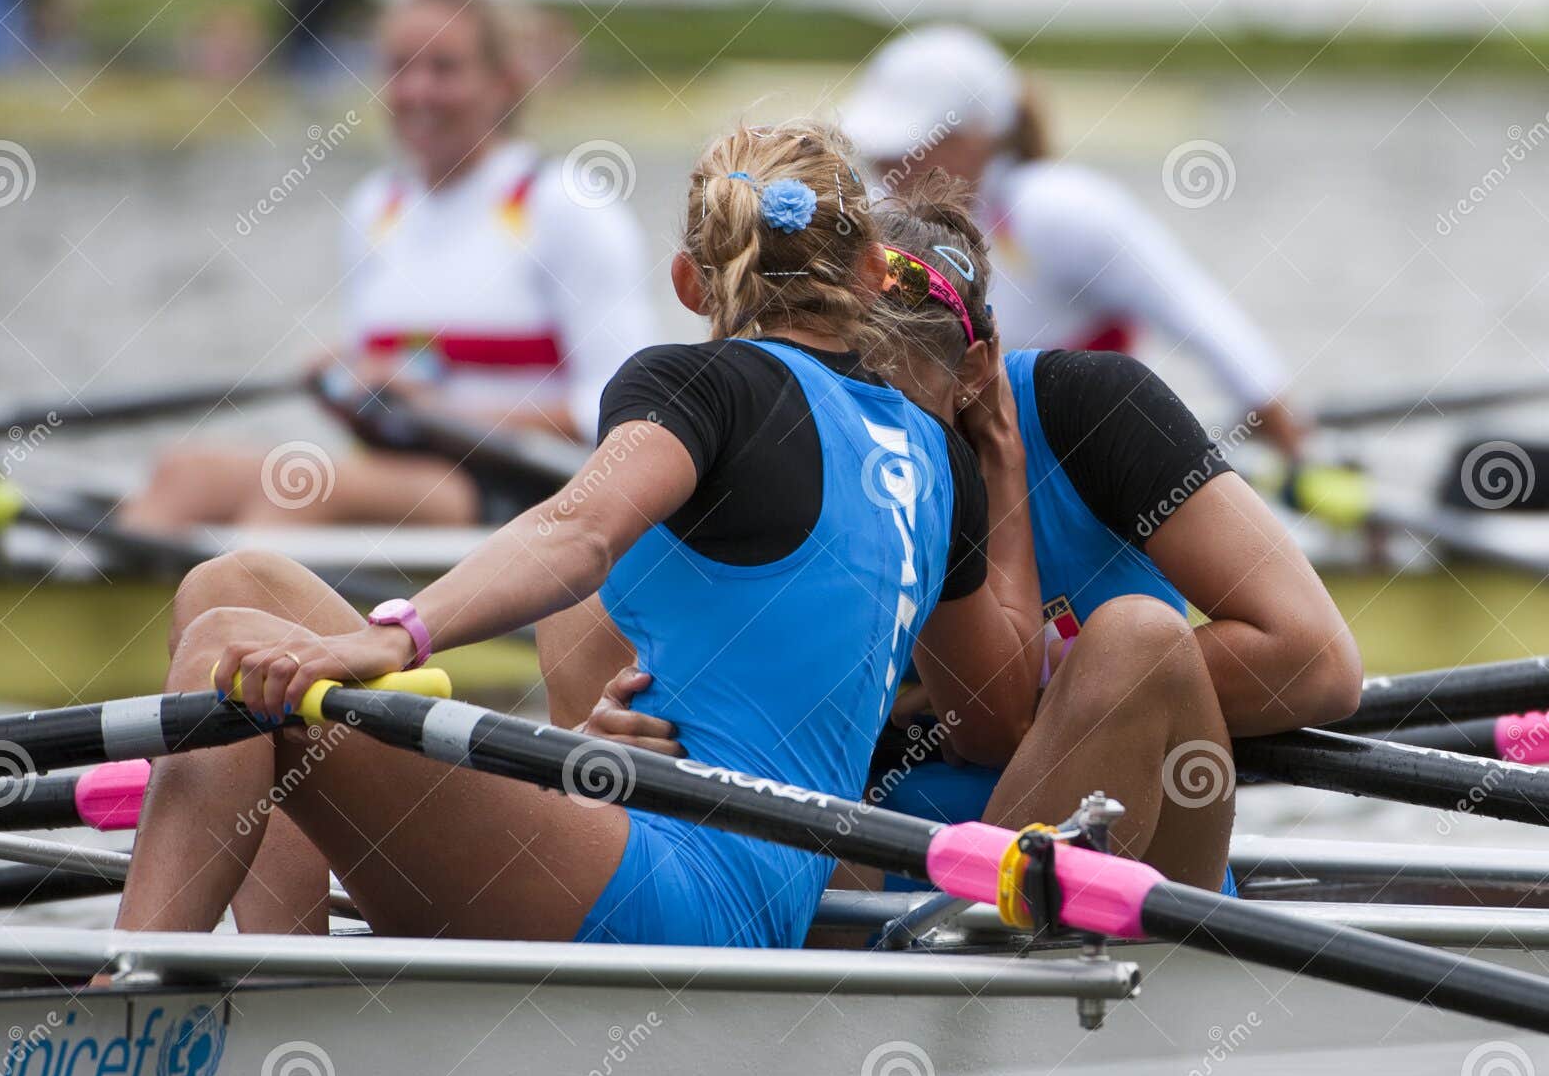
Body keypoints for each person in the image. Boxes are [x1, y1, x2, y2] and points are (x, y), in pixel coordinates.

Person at [113, 122, 1042, 950]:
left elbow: (577, 533)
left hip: (678, 890)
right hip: (741, 872)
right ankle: (292, 990)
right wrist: (1000, 454)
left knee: (222, 645)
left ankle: (130, 1003)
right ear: (874, 271)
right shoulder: (939, 458)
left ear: (688, 282)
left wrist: (390, 634)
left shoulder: (697, 384)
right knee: (235, 586)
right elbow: (995, 715)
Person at [568, 173, 1363, 894]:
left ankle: (964, 972)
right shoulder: (779, 429)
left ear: (974, 372)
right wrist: (603, 742)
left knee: (1136, 641)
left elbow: (1317, 662)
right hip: (871, 865)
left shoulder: (1093, 410)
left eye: (887, 391)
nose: (857, 422)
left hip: (1116, 858)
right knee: (578, 610)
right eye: (832, 379)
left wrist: (1052, 699)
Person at [121, 0, 655, 532]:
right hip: (409, 477)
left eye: (444, 69)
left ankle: (235, 606)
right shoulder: (377, 208)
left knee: (308, 492)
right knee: (184, 471)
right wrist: (345, 390)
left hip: (528, 496)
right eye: (400, 68)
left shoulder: (565, 205)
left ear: (503, 84)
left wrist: (445, 417)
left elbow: (629, 418)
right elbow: (389, 406)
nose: (417, 91)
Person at [840, 25, 1310, 461]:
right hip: (962, 461)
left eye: (907, 146)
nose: (888, 164)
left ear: (980, 134)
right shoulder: (879, 216)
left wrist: (1295, 452)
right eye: (881, 150)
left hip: (1078, 466)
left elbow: (1200, 317)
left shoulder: (1058, 208)